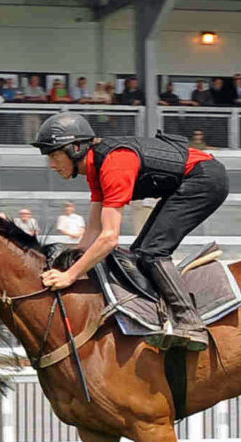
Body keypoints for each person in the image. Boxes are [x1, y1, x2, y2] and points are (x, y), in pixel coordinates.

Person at [31, 110, 228, 343]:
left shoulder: (113, 165)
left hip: (205, 179)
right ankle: (161, 313)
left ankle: (190, 323)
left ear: (75, 148)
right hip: (191, 179)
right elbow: (92, 232)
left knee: (152, 253)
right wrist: (65, 263)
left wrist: (70, 276)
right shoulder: (94, 168)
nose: (52, 164)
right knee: (140, 254)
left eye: (54, 155)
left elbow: (109, 238)